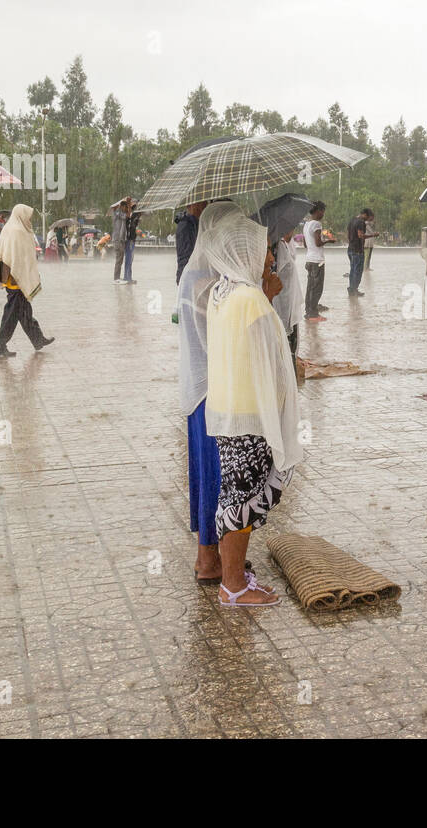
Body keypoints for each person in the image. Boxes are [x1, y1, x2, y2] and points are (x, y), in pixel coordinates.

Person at [201, 216, 302, 607]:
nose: (270, 259)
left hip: (228, 410)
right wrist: (268, 299)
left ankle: (235, 576)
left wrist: (265, 294)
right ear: (243, 252)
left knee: (233, 494)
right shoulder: (250, 300)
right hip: (251, 413)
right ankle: (233, 586)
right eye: (263, 252)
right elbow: (270, 359)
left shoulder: (222, 291)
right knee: (243, 499)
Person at [177, 202, 243, 583]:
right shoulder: (209, 282)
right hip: (213, 392)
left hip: (199, 390)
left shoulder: (197, 274)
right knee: (218, 476)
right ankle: (209, 559)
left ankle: (211, 554)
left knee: (207, 474)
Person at [0, 203, 54, 358]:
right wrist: (24, 275)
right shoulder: (18, 230)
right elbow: (19, 258)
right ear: (21, 215)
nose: (30, 220)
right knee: (11, 314)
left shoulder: (10, 227)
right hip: (15, 279)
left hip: (10, 277)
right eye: (29, 217)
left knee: (24, 310)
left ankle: (37, 338)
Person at [272, 228, 304, 361]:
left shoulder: (282, 246)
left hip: (287, 301)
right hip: (281, 303)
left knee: (288, 344)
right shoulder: (275, 248)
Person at [303, 202, 328, 322]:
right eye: (322, 211)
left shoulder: (306, 224)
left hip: (309, 259)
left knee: (310, 287)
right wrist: (328, 241)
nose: (323, 214)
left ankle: (308, 311)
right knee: (317, 288)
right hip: (317, 260)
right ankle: (313, 314)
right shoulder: (317, 224)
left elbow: (304, 244)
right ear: (317, 210)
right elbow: (318, 243)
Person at [175, 201, 207, 284]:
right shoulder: (186, 225)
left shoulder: (195, 222)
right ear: (194, 205)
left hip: (196, 275)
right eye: (203, 203)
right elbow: (185, 256)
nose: (206, 205)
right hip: (190, 277)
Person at [345, 207, 375, 296]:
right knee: (357, 271)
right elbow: (361, 235)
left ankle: (351, 289)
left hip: (350, 249)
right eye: (369, 218)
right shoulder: (361, 222)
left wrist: (352, 242)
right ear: (365, 215)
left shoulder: (352, 220)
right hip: (357, 250)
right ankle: (354, 290)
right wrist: (373, 235)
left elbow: (348, 234)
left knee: (353, 270)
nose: (369, 220)